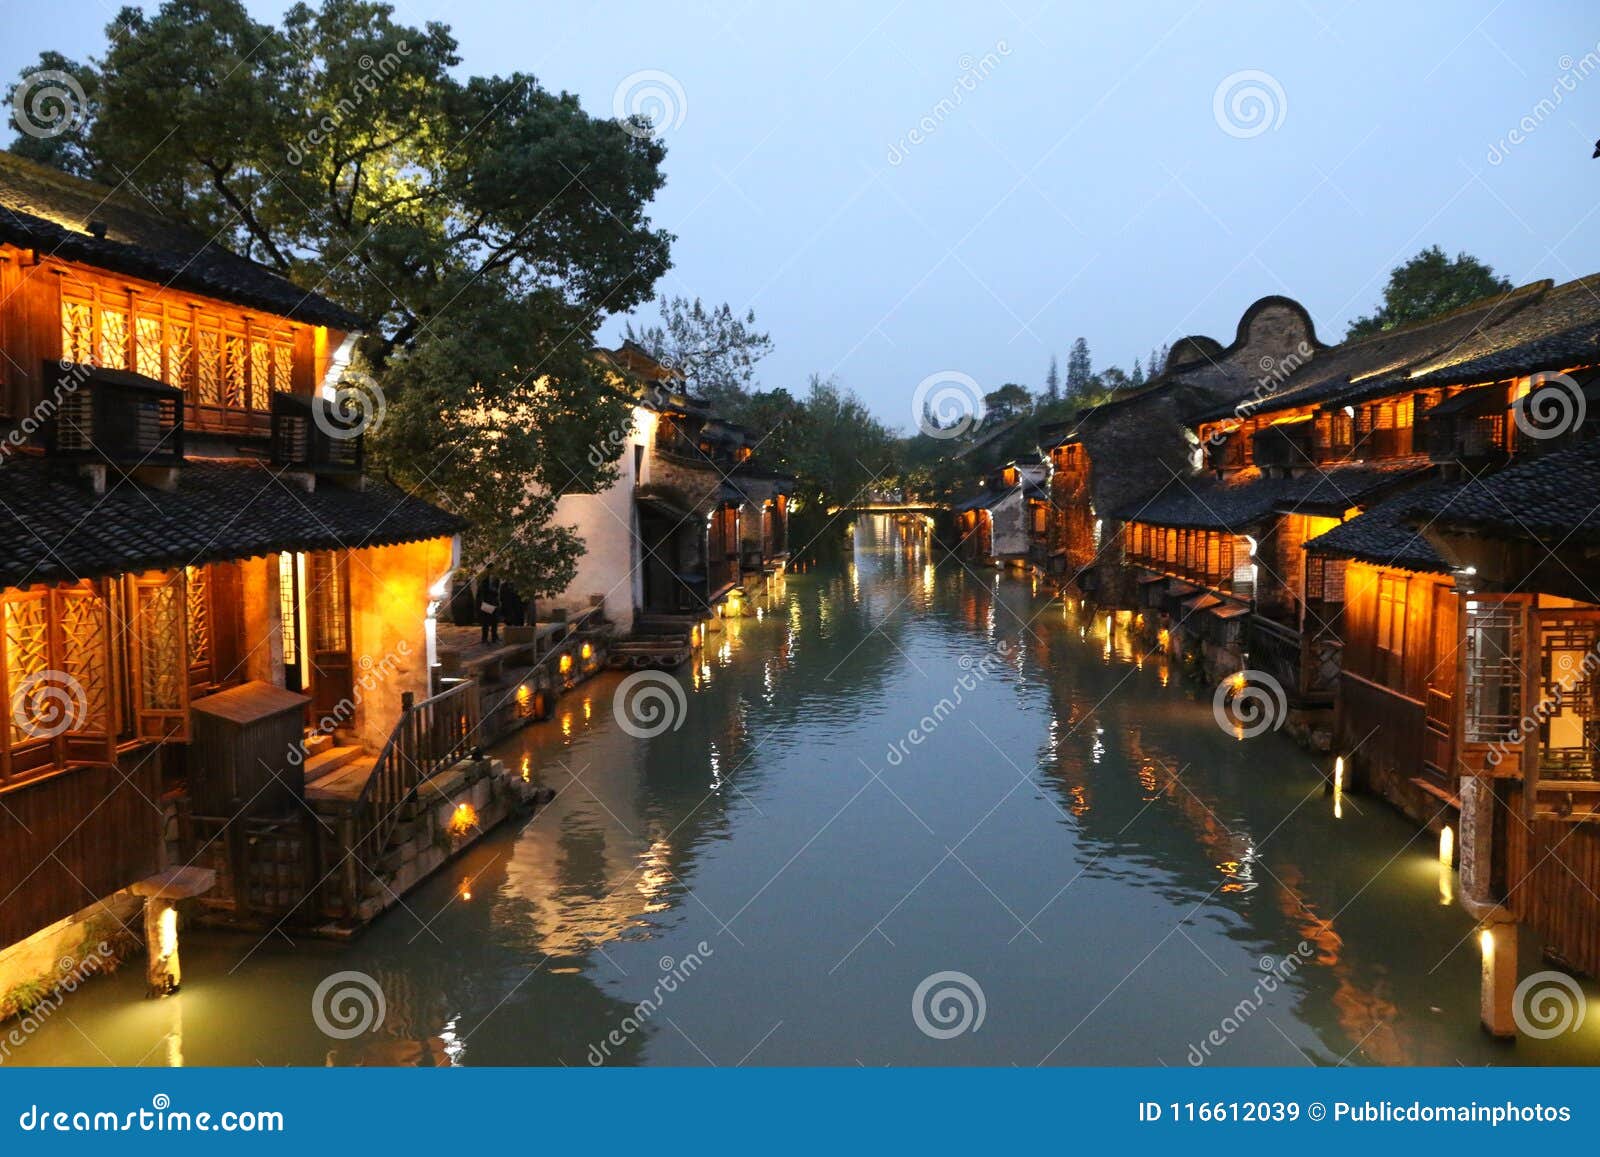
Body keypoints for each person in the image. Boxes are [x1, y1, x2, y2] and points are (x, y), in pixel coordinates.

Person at [478, 574, 501, 644]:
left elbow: (497, 591)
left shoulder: (497, 579)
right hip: (487, 603)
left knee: (495, 621)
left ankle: (494, 637)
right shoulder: (484, 580)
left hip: (494, 602)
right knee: (486, 622)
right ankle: (484, 638)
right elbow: (481, 592)